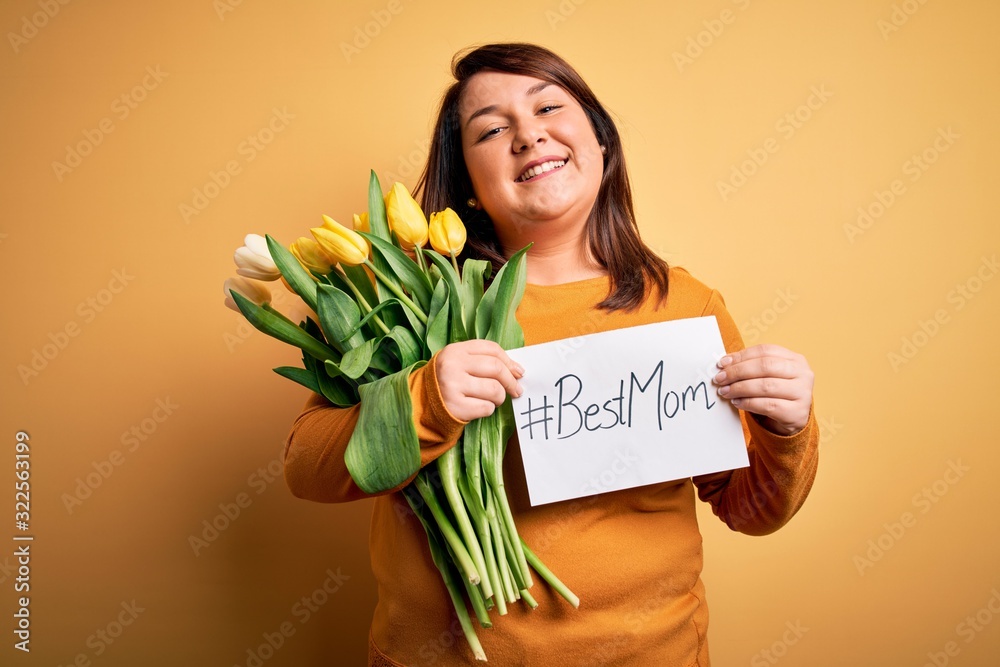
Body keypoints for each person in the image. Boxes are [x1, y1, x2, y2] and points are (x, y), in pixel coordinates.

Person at [283, 42, 819, 666]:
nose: (528, 136)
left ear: (599, 142)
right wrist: (425, 399)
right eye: (491, 129)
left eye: (548, 107)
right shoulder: (414, 302)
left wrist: (787, 429)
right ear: (471, 188)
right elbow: (305, 467)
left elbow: (751, 509)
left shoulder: (684, 306)